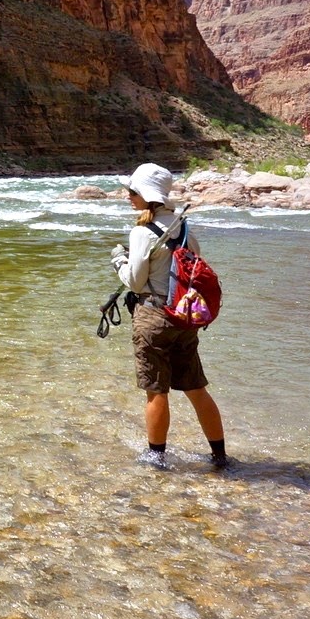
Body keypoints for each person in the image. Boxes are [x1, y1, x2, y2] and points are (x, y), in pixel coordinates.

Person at [109, 162, 229, 471]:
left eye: (132, 191)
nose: (128, 196)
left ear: (146, 195)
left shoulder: (142, 232)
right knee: (196, 389)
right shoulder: (184, 229)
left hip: (153, 316)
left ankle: (156, 459)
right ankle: (220, 457)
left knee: (156, 391)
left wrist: (119, 261)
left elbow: (135, 282)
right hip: (183, 317)